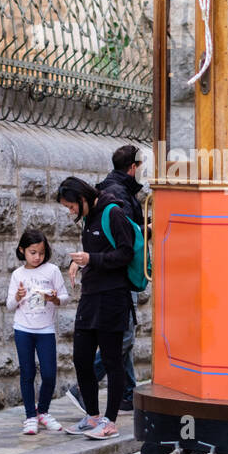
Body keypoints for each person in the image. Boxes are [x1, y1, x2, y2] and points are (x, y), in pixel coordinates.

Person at [55, 176, 132, 440]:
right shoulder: (89, 218)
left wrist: (92, 259)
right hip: (91, 296)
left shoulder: (113, 212)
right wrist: (81, 262)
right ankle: (92, 416)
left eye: (71, 206)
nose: (71, 211)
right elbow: (97, 253)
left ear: (82, 197)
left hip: (113, 297)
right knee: (81, 357)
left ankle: (110, 421)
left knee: (112, 360)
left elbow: (126, 253)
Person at [75, 144, 142, 413]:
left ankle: (127, 392)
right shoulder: (116, 197)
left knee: (121, 340)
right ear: (133, 167)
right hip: (114, 282)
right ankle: (83, 387)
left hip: (109, 281)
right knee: (123, 339)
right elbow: (124, 244)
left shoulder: (114, 191)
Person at [7, 230, 68, 435]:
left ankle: (43, 411)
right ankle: (30, 416)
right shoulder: (18, 274)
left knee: (49, 374)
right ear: (22, 250)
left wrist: (54, 298)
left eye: (41, 253)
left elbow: (65, 297)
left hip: (45, 329)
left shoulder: (52, 271)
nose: (37, 257)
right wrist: (17, 296)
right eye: (33, 252)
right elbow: (9, 305)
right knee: (27, 373)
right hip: (23, 328)